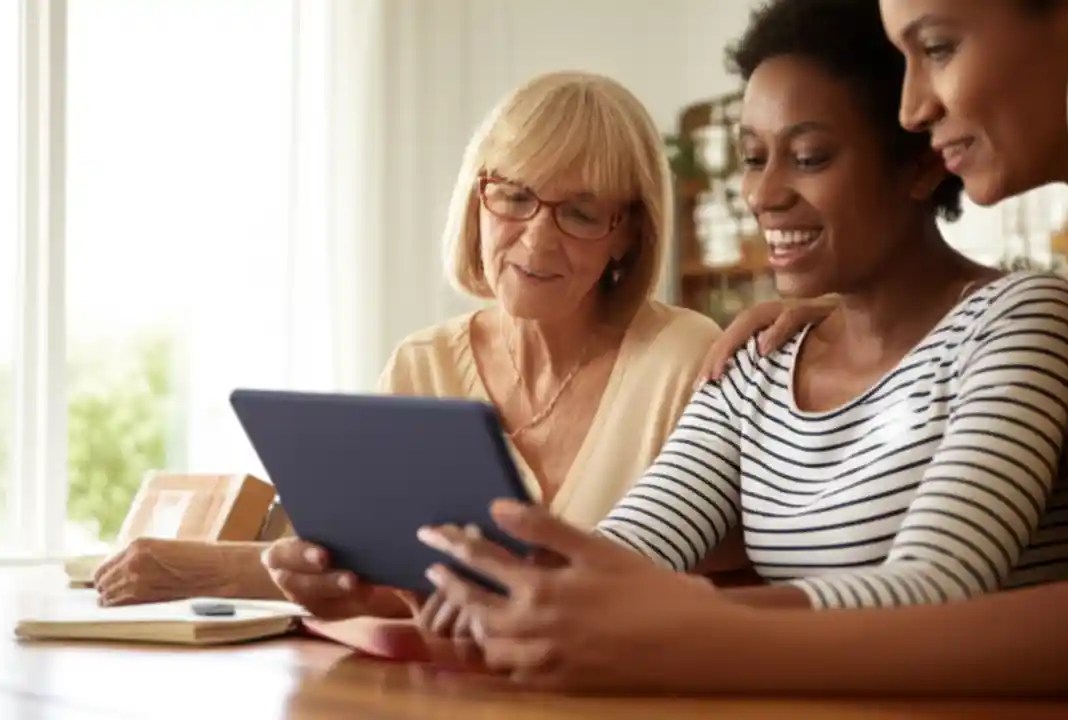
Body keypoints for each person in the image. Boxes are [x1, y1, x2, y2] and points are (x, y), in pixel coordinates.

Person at [414, 0, 1068, 703]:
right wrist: (466, 588)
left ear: (920, 167)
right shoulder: (763, 358)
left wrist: (679, 624)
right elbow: (620, 546)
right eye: (751, 159)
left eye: (810, 156)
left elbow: (952, 594)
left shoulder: (1027, 313)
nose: (762, 192)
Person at [94, 71, 725, 610]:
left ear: (628, 236)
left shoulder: (683, 359)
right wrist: (324, 583)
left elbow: (710, 586)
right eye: (513, 196)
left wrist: (219, 570)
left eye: (581, 214)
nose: (536, 240)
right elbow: (388, 587)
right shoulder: (421, 367)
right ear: (478, 198)